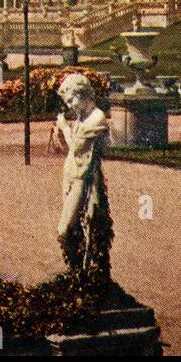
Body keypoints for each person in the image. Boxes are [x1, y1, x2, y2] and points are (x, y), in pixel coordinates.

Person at [52, 73, 113, 274]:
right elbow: (69, 150)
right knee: (77, 229)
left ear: (82, 93)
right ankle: (78, 274)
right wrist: (61, 132)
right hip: (71, 175)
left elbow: (77, 147)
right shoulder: (81, 118)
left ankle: (79, 272)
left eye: (71, 100)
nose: (70, 105)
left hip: (84, 179)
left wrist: (64, 127)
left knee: (66, 230)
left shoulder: (97, 118)